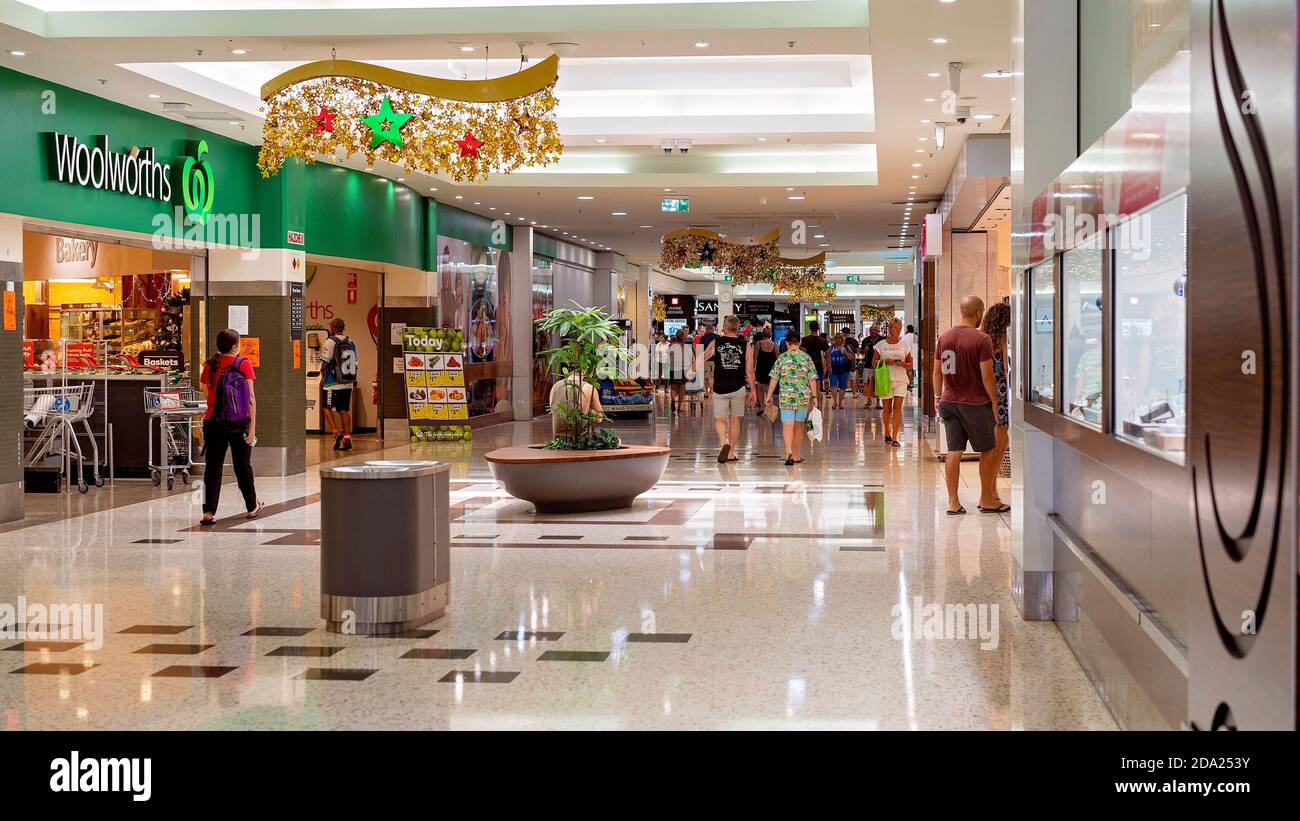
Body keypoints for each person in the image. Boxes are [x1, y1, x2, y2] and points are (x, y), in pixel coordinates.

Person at [933, 295, 1006, 515]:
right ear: (978, 313)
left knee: (953, 451)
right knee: (989, 449)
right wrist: (994, 401)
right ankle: (986, 499)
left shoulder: (944, 337)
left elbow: (936, 371)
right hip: (974, 403)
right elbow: (987, 376)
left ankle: (953, 502)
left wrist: (938, 396)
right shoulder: (981, 339)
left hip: (949, 401)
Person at [198, 328, 264, 525]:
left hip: (213, 422)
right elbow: (251, 398)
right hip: (239, 423)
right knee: (242, 465)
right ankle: (252, 507)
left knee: (213, 467)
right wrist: (252, 428)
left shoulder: (209, 365)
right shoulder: (243, 364)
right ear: (235, 346)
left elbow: (206, 393)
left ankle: (208, 512)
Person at [694, 315, 751, 462]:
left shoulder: (716, 342)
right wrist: (754, 391)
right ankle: (731, 452)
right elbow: (750, 370)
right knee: (735, 419)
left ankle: (723, 442)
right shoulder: (745, 344)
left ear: (724, 328)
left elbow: (703, 358)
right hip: (738, 386)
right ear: (737, 328)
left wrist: (691, 368)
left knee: (720, 418)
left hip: (720, 386)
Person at [766, 334, 820, 466]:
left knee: (787, 425)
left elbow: (774, 378)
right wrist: (815, 397)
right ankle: (795, 455)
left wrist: (769, 395)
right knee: (799, 426)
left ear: (787, 343)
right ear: (799, 343)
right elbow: (812, 379)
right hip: (802, 396)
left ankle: (788, 451)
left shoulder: (782, 358)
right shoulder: (806, 358)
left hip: (786, 396)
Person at [980, 302, 1012, 478]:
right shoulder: (1003, 340)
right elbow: (1006, 368)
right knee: (1001, 436)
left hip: (987, 390)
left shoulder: (983, 339)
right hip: (1000, 390)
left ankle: (992, 477)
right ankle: (991, 478)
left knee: (997, 437)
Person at [871, 318, 914, 447]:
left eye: (900, 327)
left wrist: (903, 364)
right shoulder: (881, 345)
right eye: (895, 327)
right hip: (885, 379)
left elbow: (910, 364)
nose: (898, 329)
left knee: (897, 409)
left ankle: (895, 437)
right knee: (887, 409)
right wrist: (885, 361)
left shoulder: (904, 345)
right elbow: (873, 363)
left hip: (900, 379)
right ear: (890, 329)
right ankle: (887, 433)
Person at [319, 317, 358, 452]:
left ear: (333, 329)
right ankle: (347, 438)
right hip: (347, 383)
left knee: (326, 407)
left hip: (332, 383)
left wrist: (322, 371)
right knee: (344, 410)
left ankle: (334, 430)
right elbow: (355, 362)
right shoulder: (351, 342)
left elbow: (325, 362)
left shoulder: (330, 342)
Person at [549, 369, 604, 439]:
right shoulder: (588, 387)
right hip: (580, 441)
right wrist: (590, 411)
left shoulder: (555, 386)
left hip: (558, 440)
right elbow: (599, 418)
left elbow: (553, 409)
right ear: (584, 370)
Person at [749, 328, 778, 416]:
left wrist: (752, 369)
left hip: (761, 368)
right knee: (769, 389)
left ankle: (762, 406)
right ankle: (769, 406)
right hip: (771, 369)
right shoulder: (775, 345)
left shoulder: (759, 344)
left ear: (762, 335)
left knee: (760, 388)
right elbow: (778, 359)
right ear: (771, 335)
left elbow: (754, 358)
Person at [800, 321, 830, 396]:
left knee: (808, 386)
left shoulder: (804, 340)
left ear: (809, 328)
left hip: (807, 365)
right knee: (817, 386)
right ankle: (818, 406)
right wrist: (829, 365)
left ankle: (809, 405)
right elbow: (827, 354)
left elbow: (802, 354)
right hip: (818, 364)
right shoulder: (822, 340)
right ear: (818, 328)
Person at [828, 333, 854, 409]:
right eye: (836, 338)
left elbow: (852, 357)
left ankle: (840, 403)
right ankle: (835, 402)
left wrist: (845, 353)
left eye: (839, 338)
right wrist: (827, 367)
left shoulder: (847, 347)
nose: (837, 339)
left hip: (844, 370)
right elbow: (826, 357)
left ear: (842, 339)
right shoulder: (831, 347)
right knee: (833, 386)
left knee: (843, 387)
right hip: (833, 370)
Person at [667, 328, 690, 414]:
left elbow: (668, 355)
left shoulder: (671, 345)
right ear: (684, 337)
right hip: (683, 368)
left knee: (673, 387)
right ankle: (679, 407)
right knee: (681, 388)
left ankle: (673, 399)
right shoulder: (686, 346)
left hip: (673, 368)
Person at [698, 323, 719, 397]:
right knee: (712, 376)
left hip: (706, 360)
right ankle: (712, 392)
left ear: (707, 330)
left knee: (706, 377)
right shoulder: (718, 337)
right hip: (716, 360)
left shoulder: (703, 338)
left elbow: (699, 350)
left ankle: (707, 392)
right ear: (713, 330)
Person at [840, 327, 860, 398]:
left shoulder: (842, 341)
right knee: (852, 379)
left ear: (844, 333)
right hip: (852, 362)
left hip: (843, 361)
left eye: (842, 332)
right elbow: (858, 351)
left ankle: (842, 394)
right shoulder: (854, 340)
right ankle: (854, 394)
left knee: (843, 379)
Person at [904, 324, 919, 389]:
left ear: (907, 329)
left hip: (908, 355)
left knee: (908, 370)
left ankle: (909, 383)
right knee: (912, 370)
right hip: (915, 355)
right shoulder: (916, 336)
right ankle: (912, 382)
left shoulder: (905, 337)